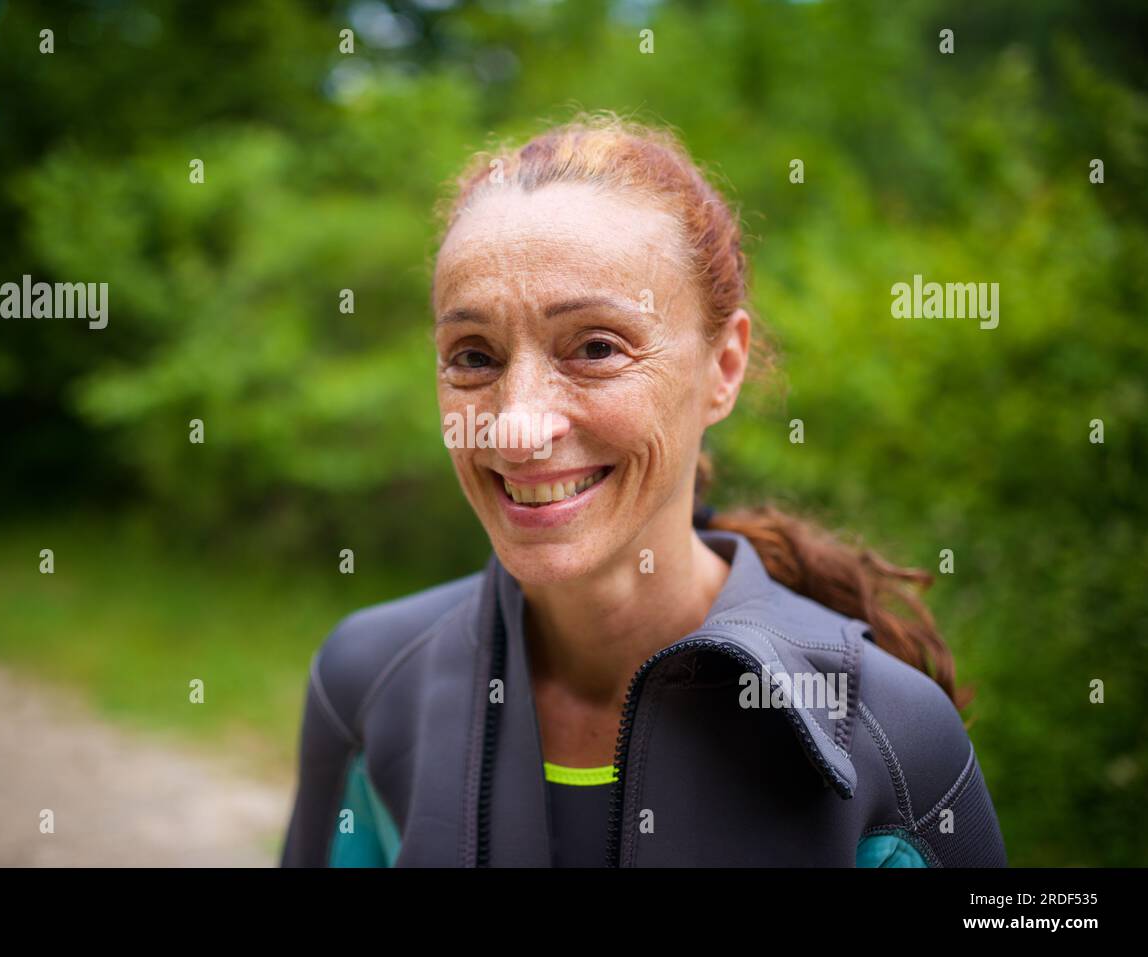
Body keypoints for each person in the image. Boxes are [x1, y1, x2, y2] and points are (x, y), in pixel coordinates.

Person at [280, 113, 1007, 867]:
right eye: (474, 355)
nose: (518, 429)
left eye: (596, 347)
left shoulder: (891, 737)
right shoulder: (366, 682)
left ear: (723, 368)